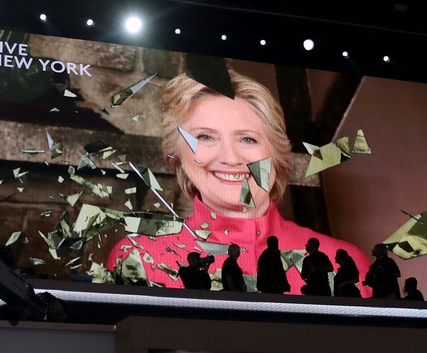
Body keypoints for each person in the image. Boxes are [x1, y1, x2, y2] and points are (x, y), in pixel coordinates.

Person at [105, 66, 371, 292]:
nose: (231, 158)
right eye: (205, 137)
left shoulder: (345, 263)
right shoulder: (137, 258)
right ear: (176, 155)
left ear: (276, 153)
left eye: (248, 139)